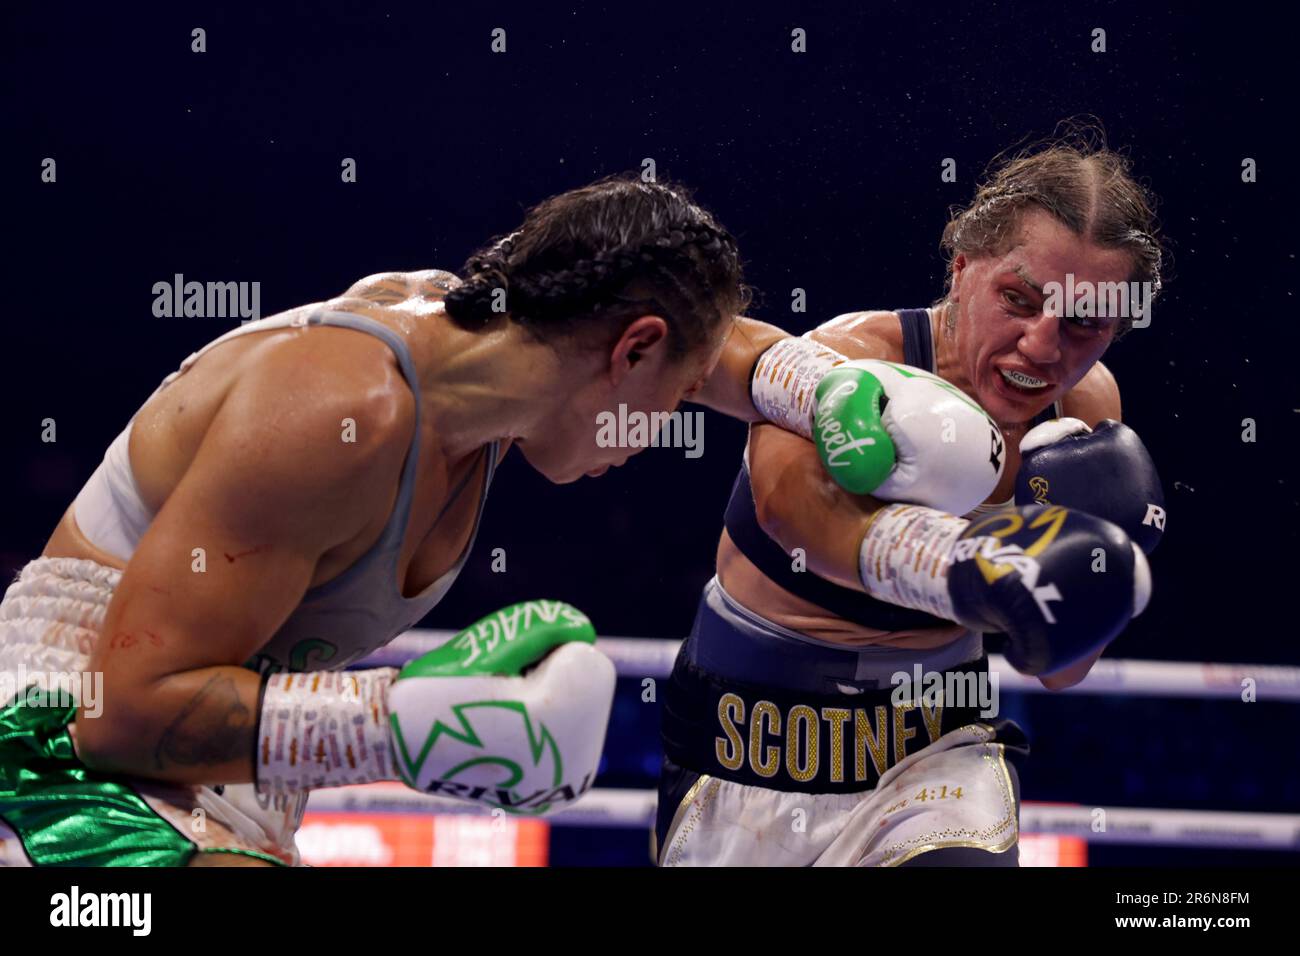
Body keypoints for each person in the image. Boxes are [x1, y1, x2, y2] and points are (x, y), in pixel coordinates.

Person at [0, 174, 823, 867]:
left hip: (220, 771)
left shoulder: (494, 366)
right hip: (62, 736)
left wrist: (824, 390)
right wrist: (401, 725)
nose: (657, 433)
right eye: (676, 399)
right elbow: (121, 717)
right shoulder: (341, 411)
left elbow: (714, 342)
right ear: (634, 349)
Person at [657, 135, 1168, 866]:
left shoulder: (1084, 413)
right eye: (1018, 299)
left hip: (935, 747)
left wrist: (1106, 571)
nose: (1041, 346)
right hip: (750, 744)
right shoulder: (854, 359)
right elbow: (785, 509)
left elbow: (1056, 668)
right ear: (962, 272)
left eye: (1084, 322)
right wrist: (959, 562)